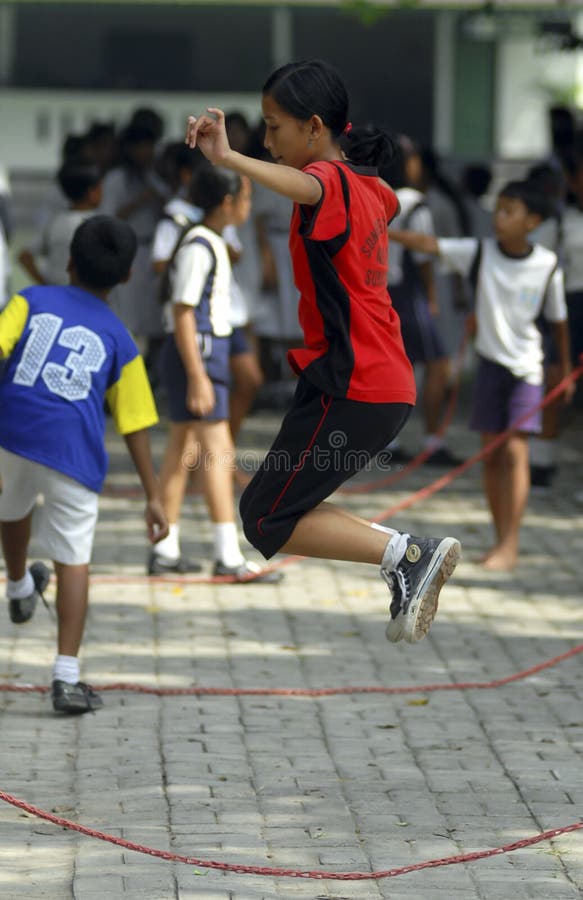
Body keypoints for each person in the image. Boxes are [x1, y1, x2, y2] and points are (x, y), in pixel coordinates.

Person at [185, 59, 461, 644]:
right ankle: (404, 556)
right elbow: (379, 194)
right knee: (272, 509)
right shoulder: (371, 188)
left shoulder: (331, 183)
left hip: (356, 385)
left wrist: (229, 159)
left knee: (265, 516)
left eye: (273, 126)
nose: (266, 139)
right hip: (371, 383)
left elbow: (310, 184)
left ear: (314, 127)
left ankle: (409, 554)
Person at [0, 216, 168, 714]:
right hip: (74, 452)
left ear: (69, 261)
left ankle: (17, 586)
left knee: (11, 509)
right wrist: (153, 495)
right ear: (126, 276)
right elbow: (134, 422)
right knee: (73, 558)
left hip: (11, 433)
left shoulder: (28, 301)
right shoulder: (120, 339)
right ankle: (66, 677)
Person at [390, 180, 572, 571]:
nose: (499, 218)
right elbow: (429, 245)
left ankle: (511, 542)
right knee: (491, 456)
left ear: (533, 221)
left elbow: (559, 323)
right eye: (499, 210)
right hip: (489, 366)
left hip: (527, 370)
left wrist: (566, 372)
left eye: (509, 211)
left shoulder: (547, 265)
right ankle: (497, 536)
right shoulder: (479, 252)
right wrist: (379, 229)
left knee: (514, 451)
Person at [153, 165, 280, 583]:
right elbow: (183, 312)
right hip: (201, 353)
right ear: (227, 203)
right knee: (217, 454)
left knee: (182, 451)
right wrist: (198, 376)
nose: (248, 206)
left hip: (203, 352)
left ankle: (164, 548)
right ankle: (227, 555)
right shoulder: (200, 246)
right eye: (245, 198)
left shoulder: (209, 242)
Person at [381, 136, 459, 466]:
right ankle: (432, 440)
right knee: (438, 365)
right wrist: (431, 295)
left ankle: (391, 442)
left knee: (399, 367)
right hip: (409, 291)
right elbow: (423, 257)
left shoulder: (379, 197)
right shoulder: (416, 204)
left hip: (384, 290)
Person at [18, 162, 103, 287]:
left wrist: (45, 285)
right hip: (86, 296)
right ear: (92, 192)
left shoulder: (56, 222)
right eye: (101, 187)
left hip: (58, 293)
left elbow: (24, 256)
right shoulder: (99, 223)